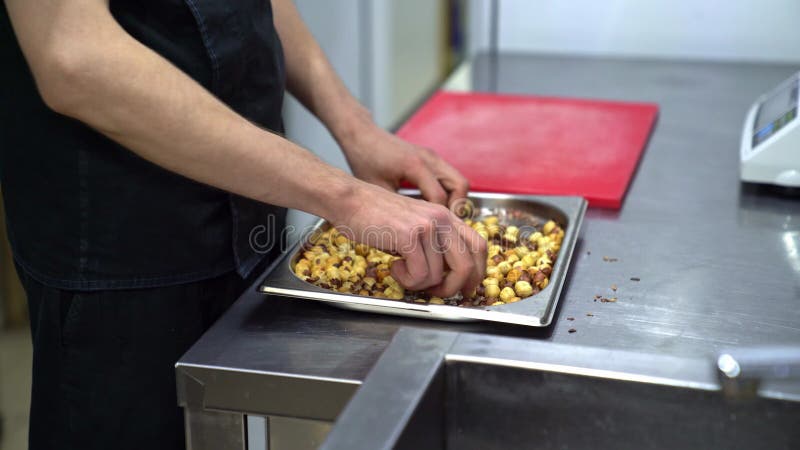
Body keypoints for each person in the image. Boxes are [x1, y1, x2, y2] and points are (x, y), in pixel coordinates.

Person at [0, 0, 487, 449]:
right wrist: (346, 196)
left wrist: (354, 127)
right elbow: (74, 55)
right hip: (122, 251)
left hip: (252, 208)